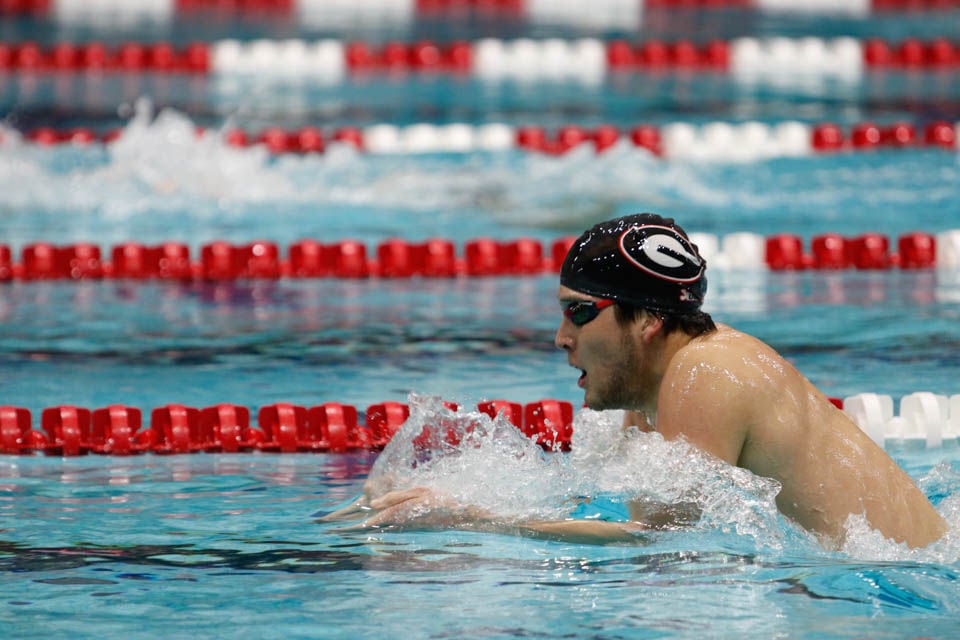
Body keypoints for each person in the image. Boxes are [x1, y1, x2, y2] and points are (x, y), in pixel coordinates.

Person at [322, 213, 947, 549]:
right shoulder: (655, 387)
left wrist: (473, 520)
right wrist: (434, 493)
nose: (560, 338)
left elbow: (661, 544)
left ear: (647, 319)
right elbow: (606, 503)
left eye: (578, 311)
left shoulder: (706, 372)